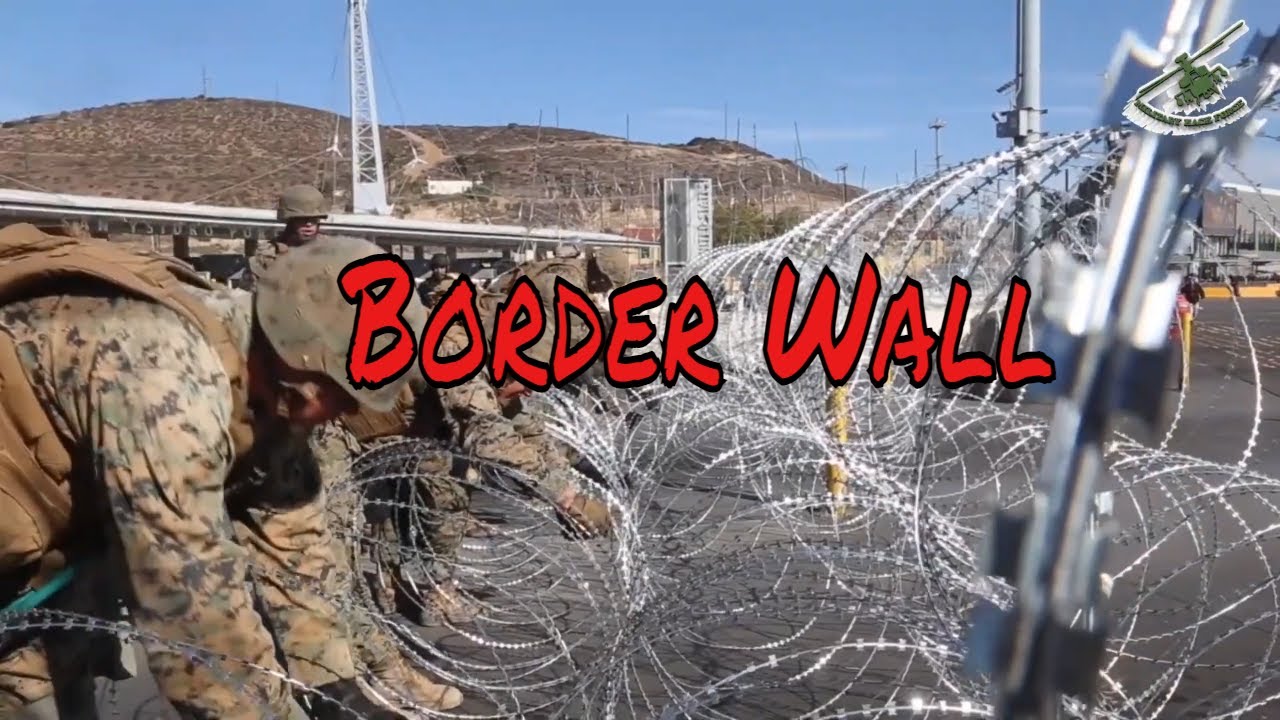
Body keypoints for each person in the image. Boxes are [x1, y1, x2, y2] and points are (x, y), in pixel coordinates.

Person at [0, 226, 418, 719]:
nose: (342, 414)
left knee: (55, 680)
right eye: (342, 396)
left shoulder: (269, 384)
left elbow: (295, 546)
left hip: (46, 559)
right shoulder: (165, 377)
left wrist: (335, 693)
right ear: (301, 359)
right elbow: (192, 603)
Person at [245, 184, 331, 285]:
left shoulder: (331, 250)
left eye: (314, 219)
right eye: (302, 220)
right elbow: (257, 293)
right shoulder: (269, 254)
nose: (309, 224)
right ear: (290, 222)